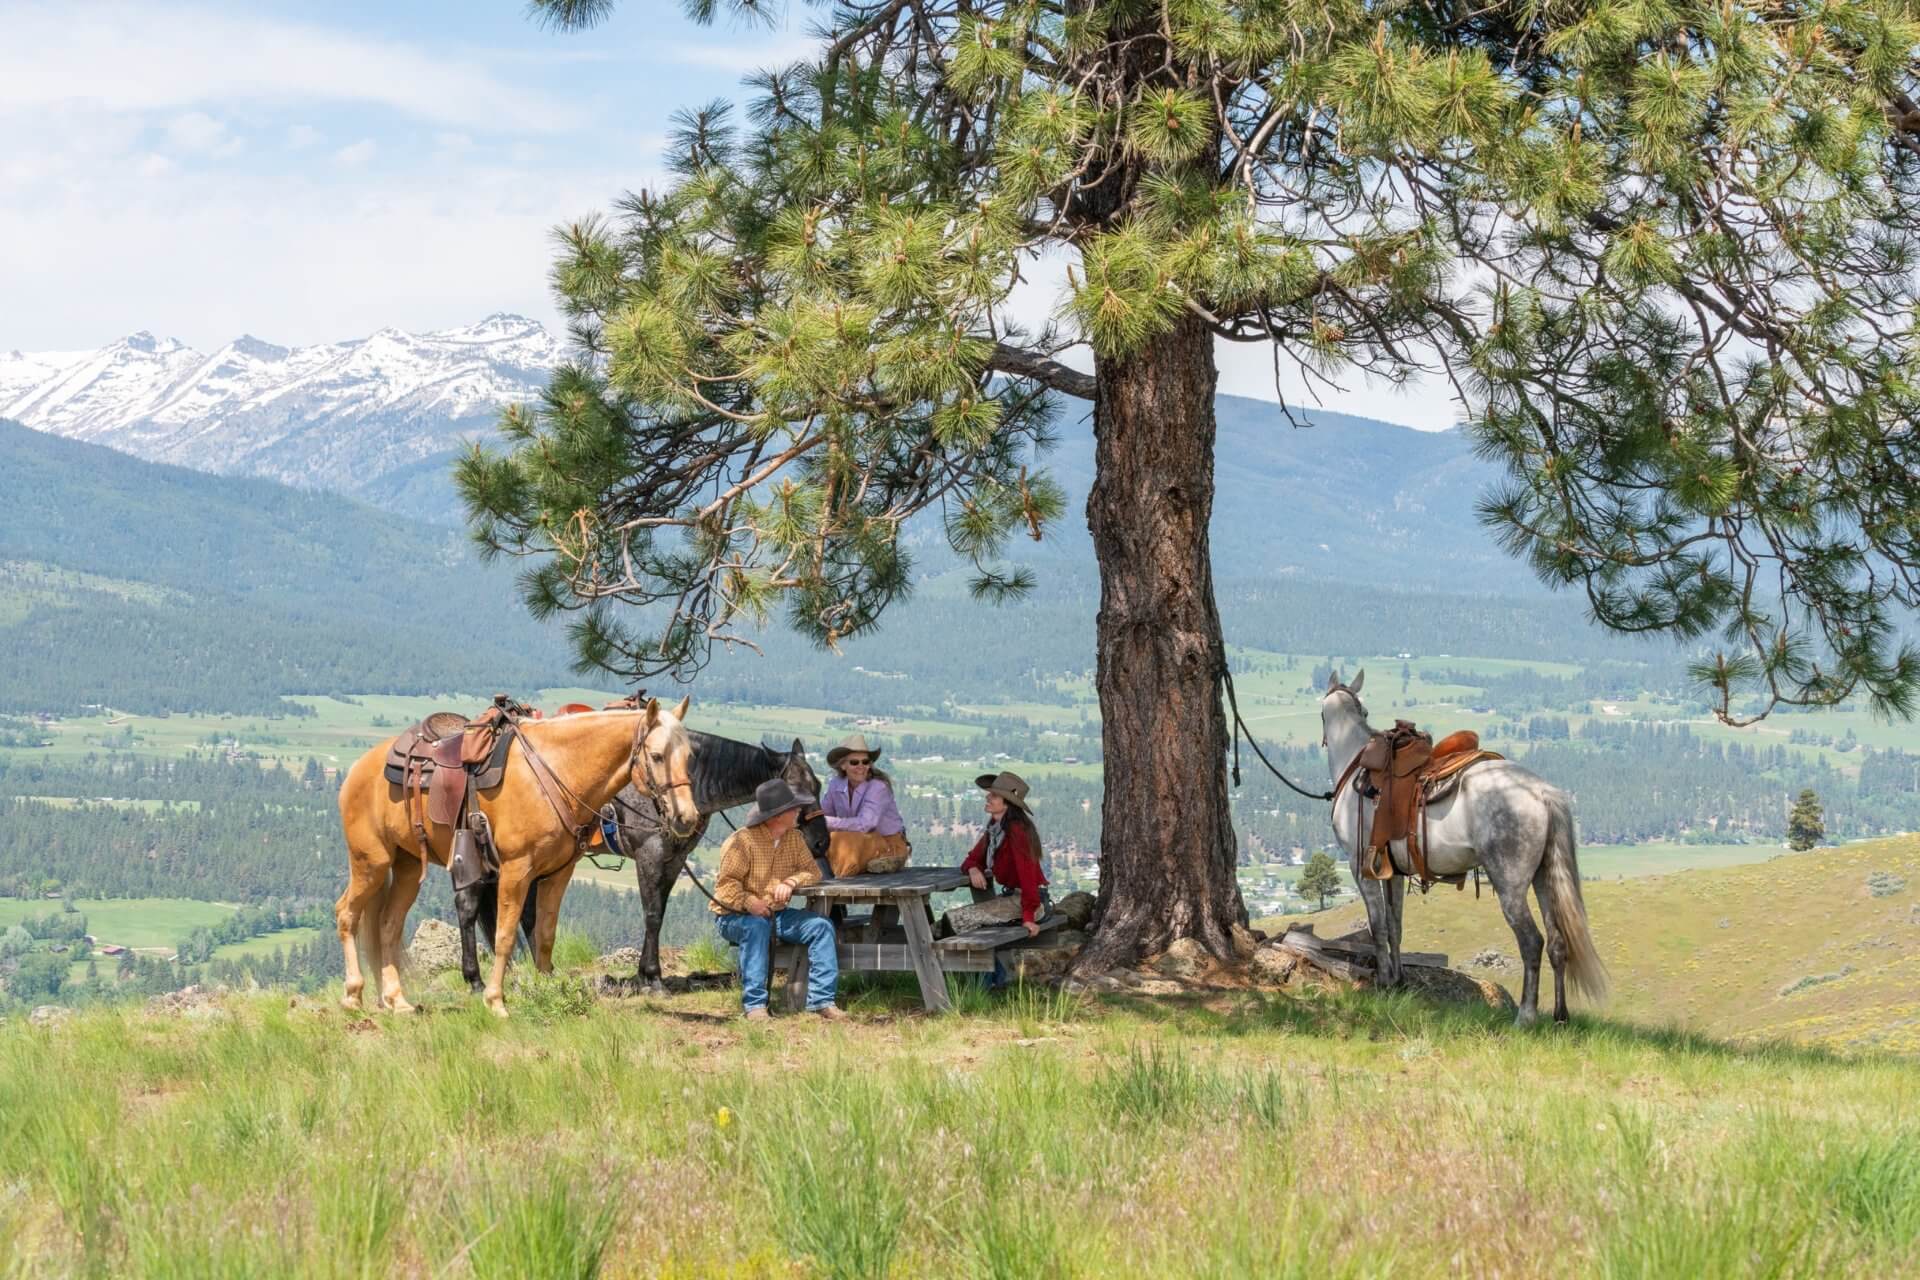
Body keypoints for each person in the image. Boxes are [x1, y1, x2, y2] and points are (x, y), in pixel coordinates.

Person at [710, 778, 847, 1021]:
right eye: (793, 809)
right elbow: (725, 888)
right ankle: (755, 1006)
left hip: (776, 914)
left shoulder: (794, 838)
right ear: (777, 816)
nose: (798, 812)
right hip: (734, 916)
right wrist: (750, 903)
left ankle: (822, 1001)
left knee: (821, 927)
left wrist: (791, 882)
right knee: (757, 926)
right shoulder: (741, 842)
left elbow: (812, 872)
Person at [957, 771, 1051, 965]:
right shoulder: (996, 828)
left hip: (1028, 902)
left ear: (1007, 803)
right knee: (957, 922)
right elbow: (972, 859)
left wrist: (1028, 917)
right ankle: (986, 977)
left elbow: (1028, 877)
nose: (987, 797)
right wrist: (974, 869)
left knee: (958, 921)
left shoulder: (1016, 831)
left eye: (994, 795)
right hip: (1015, 898)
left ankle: (984, 980)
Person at [819, 734, 912, 877]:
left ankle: (837, 880)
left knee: (842, 840)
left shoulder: (878, 787)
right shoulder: (835, 784)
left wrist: (827, 822)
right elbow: (823, 812)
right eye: (855, 762)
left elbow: (866, 824)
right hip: (859, 843)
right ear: (843, 765)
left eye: (865, 762)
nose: (861, 767)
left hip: (888, 844)